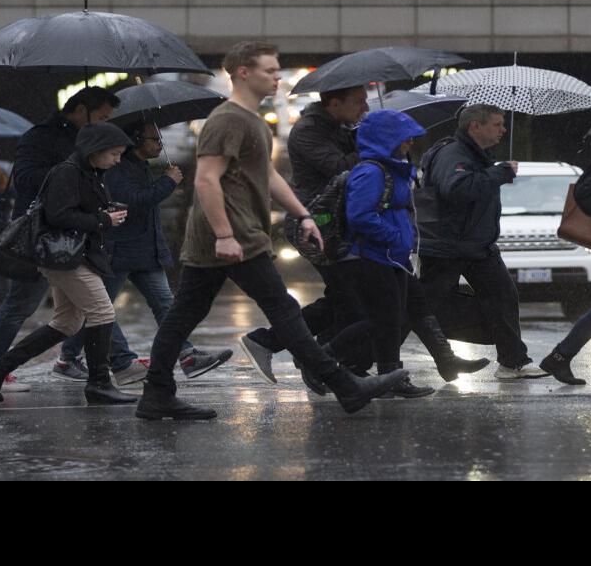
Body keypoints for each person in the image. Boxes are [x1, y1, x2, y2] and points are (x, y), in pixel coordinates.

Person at [138, 41, 408, 421]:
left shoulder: (251, 120)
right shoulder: (228, 119)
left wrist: (304, 214)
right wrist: (224, 235)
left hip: (235, 232)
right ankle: (346, 387)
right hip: (233, 234)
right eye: (269, 70)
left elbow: (265, 175)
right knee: (284, 311)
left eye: (277, 70)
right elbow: (204, 181)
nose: (277, 77)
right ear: (243, 73)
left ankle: (157, 395)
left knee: (184, 315)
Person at [322, 109, 490, 399]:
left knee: (403, 314)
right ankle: (321, 360)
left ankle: (393, 376)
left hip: (393, 256)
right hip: (374, 256)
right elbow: (360, 216)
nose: (410, 142)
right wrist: (396, 237)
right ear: (388, 139)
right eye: (403, 137)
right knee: (385, 320)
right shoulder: (371, 171)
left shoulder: (391, 168)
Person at [54, 121, 233, 385]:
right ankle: (72, 358)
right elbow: (134, 201)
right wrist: (168, 182)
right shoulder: (117, 168)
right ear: (136, 140)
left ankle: (187, 355)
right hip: (120, 251)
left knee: (165, 303)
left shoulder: (141, 166)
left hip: (145, 252)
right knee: (98, 310)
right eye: (154, 140)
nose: (159, 144)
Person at [0, 123, 137, 406]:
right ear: (95, 150)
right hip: (65, 257)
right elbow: (59, 215)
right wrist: (103, 220)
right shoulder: (68, 172)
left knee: (67, 322)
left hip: (72, 255)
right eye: (114, 153)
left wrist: (103, 213)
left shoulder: (89, 173)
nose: (117, 160)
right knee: (102, 311)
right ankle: (98, 384)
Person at [239, 86, 370, 372]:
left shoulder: (339, 127)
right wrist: (370, 141)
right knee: (352, 301)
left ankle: (281, 346)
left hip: (335, 222)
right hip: (317, 224)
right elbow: (340, 168)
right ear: (335, 103)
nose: (365, 107)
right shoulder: (309, 131)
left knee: (344, 299)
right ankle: (320, 360)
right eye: (359, 102)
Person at [416, 104, 547, 380]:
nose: (504, 130)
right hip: (447, 247)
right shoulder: (454, 154)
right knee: (426, 306)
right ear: (475, 126)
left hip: (478, 246)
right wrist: (499, 173)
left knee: (503, 296)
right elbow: (456, 189)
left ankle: (513, 362)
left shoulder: (477, 154)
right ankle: (354, 356)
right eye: (498, 124)